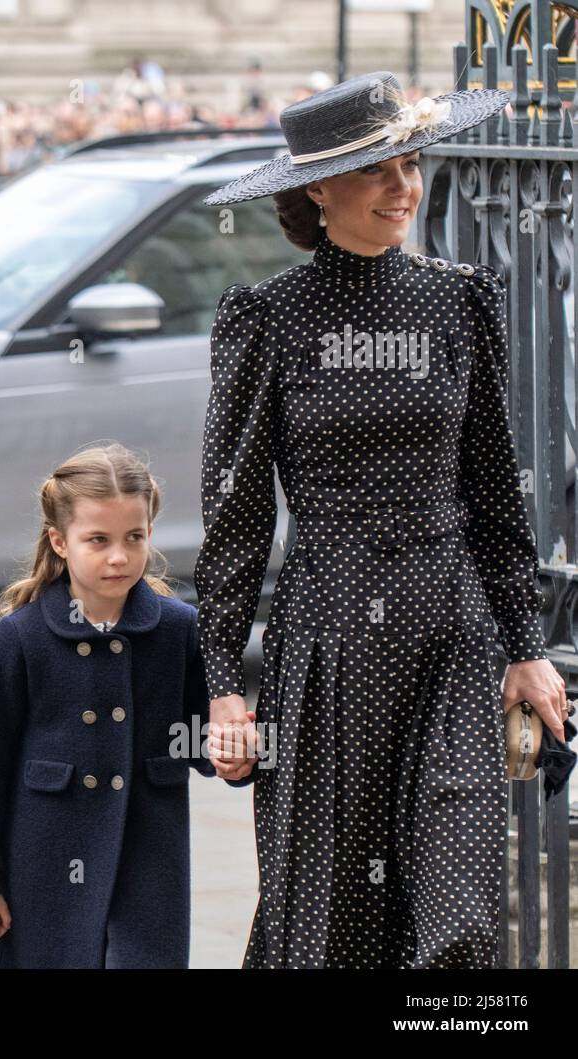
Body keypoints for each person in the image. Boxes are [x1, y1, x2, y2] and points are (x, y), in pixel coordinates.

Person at [198, 71, 571, 968]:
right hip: (330, 648)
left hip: (451, 637)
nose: (405, 189)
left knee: (459, 918)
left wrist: (524, 645)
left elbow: (493, 488)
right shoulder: (267, 317)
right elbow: (237, 512)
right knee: (333, 918)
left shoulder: (461, 300)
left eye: (411, 163)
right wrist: (221, 683)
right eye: (378, 172)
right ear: (318, 189)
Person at [0, 444, 254, 968]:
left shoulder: (178, 628)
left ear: (150, 535)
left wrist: (234, 754)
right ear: (60, 541)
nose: (119, 556)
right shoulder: (22, 637)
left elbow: (199, 740)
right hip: (42, 864)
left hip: (149, 863)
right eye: (99, 540)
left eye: (133, 537)